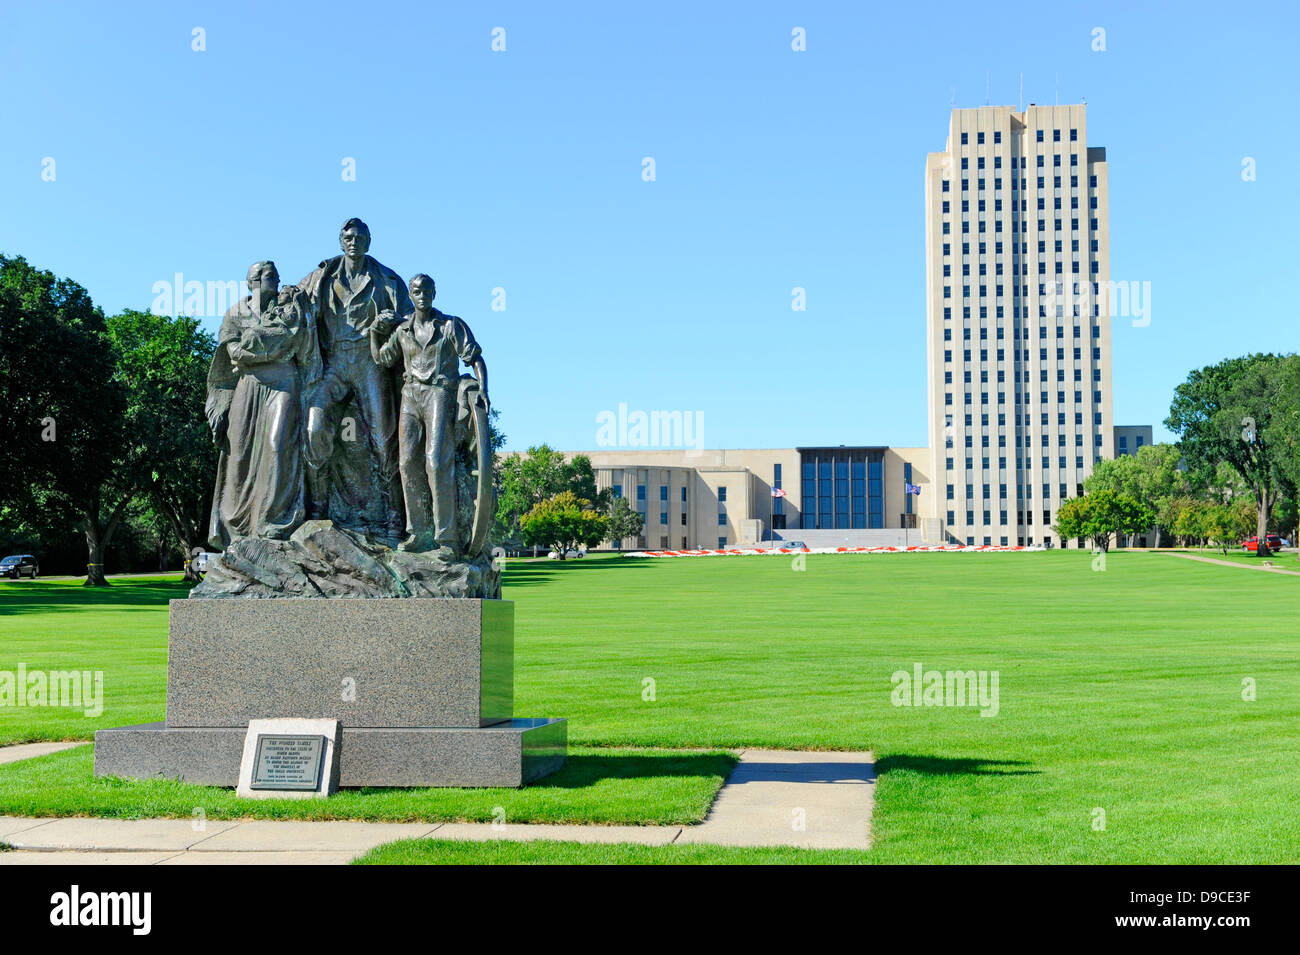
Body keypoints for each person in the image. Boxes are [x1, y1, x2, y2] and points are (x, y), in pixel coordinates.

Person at [296, 218, 410, 538]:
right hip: (332, 363)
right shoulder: (321, 277)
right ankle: (317, 509)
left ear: (369, 241)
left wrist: (394, 322)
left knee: (384, 439)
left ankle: (393, 515)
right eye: (348, 237)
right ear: (340, 241)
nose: (354, 242)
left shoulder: (388, 280)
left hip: (369, 361)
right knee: (314, 426)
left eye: (360, 237)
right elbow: (292, 303)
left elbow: (411, 323)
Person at [371, 273, 487, 556]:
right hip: (410, 395)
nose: (422, 295)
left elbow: (474, 358)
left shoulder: (449, 325)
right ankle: (417, 533)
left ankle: (445, 538)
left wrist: (483, 388)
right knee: (408, 462)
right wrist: (374, 332)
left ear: (434, 293)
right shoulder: (402, 331)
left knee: (436, 462)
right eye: (416, 291)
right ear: (410, 296)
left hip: (439, 392)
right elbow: (382, 359)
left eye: (427, 291)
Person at [205, 261, 318, 548]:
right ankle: (237, 527)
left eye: (277, 276)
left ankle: (275, 520)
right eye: (270, 276)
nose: (277, 280)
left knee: (278, 444)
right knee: (239, 454)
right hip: (248, 387)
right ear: (253, 281)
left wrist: (252, 352)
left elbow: (296, 341)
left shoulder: (287, 307)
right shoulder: (235, 313)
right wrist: (263, 351)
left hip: (283, 382)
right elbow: (230, 351)